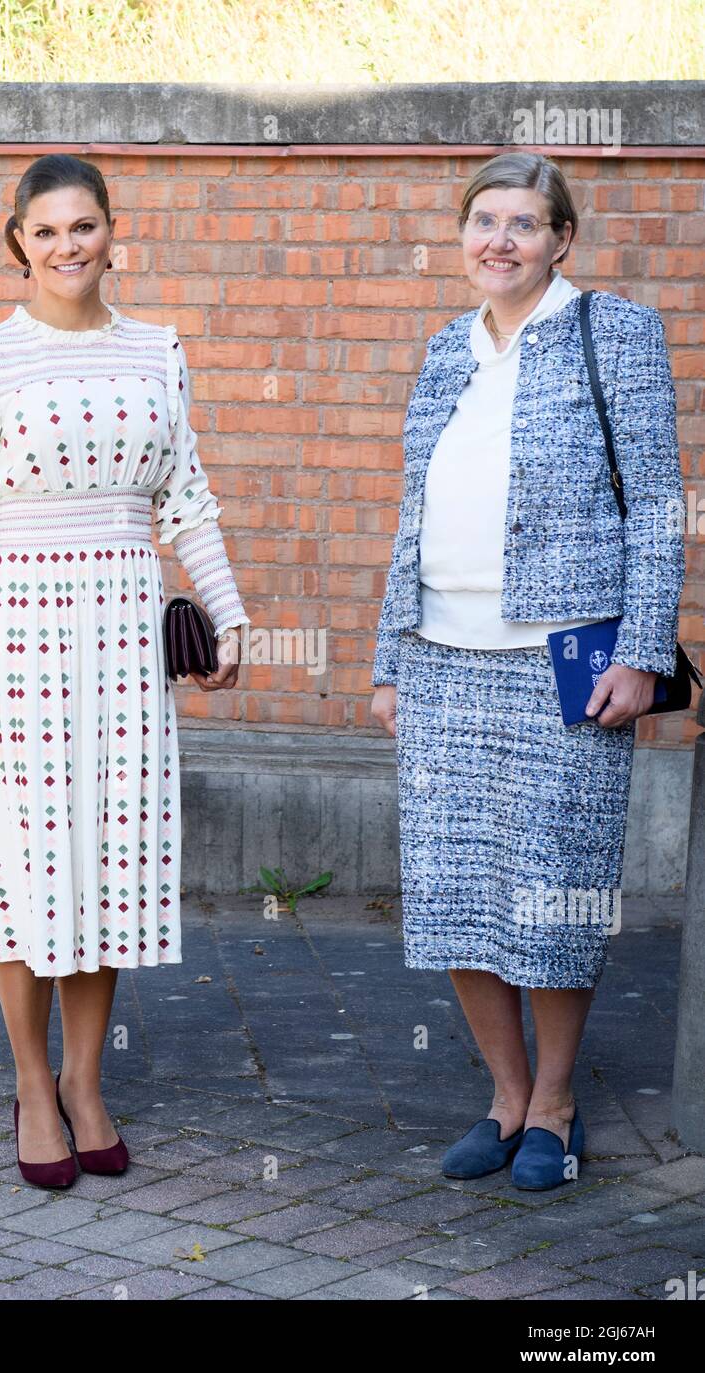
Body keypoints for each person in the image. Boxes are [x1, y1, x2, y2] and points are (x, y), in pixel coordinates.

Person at [0, 154, 251, 1189]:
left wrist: (229, 614)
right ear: (18, 241)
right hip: (18, 633)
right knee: (26, 865)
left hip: (123, 632)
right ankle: (32, 1085)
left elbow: (187, 499)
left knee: (109, 858)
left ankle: (85, 1081)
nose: (67, 246)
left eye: (85, 226)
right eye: (47, 230)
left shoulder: (158, 349)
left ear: (113, 233)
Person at [370, 151, 685, 1191]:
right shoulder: (442, 349)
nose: (498, 240)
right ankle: (504, 1098)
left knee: (556, 893)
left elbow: (656, 504)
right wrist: (389, 660)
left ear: (560, 240)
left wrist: (641, 651)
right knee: (456, 892)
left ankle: (554, 1103)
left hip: (563, 664)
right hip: (440, 661)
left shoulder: (612, 333)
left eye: (522, 223)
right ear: (461, 235)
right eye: (482, 220)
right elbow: (412, 512)